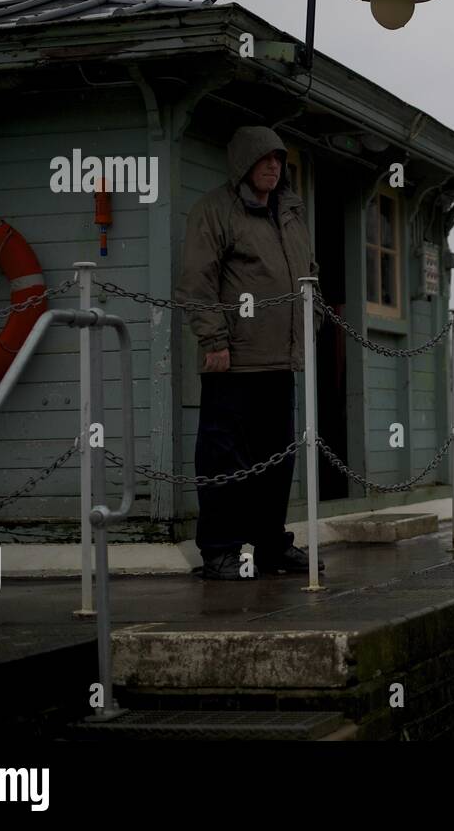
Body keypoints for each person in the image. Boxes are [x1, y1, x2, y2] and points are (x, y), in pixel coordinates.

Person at [175, 126, 324, 580]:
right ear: (243, 165)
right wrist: (213, 341)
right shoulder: (215, 211)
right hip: (234, 362)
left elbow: (309, 272)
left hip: (282, 360)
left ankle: (270, 548)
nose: (274, 167)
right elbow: (197, 280)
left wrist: (312, 321)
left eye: (278, 160)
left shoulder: (291, 213)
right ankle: (220, 550)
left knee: (278, 462)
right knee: (224, 459)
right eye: (265, 160)